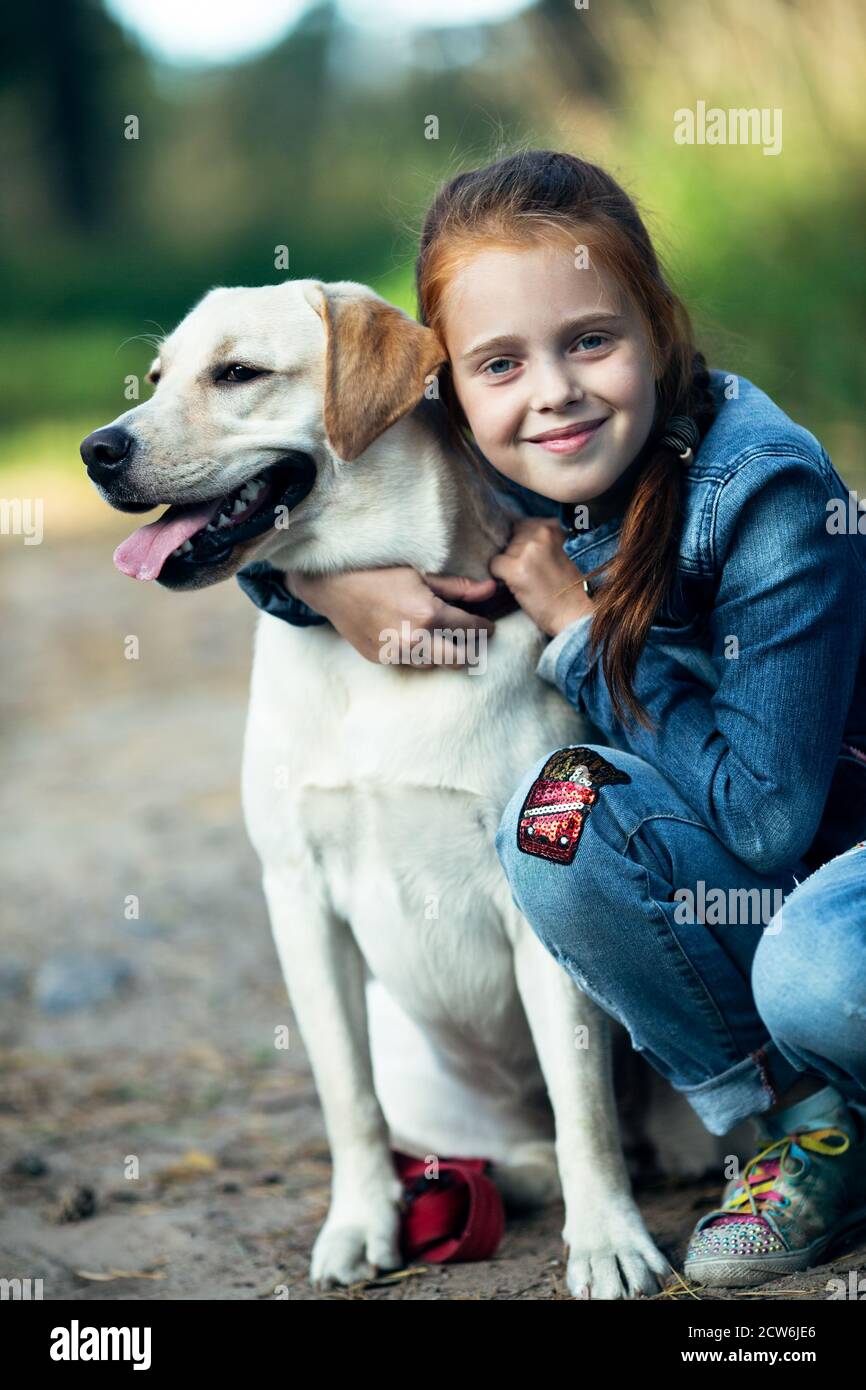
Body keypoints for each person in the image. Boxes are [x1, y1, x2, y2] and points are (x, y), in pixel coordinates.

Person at [237, 150, 866, 1289]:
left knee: (819, 976)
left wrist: (579, 632)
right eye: (500, 364)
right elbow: (315, 484)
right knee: (556, 821)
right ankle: (805, 1124)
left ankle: (816, 1087)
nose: (553, 394)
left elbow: (767, 819)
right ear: (447, 394)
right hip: (713, 897)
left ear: (658, 328)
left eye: (590, 340)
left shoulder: (765, 491)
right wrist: (316, 589)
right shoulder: (520, 454)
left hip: (826, 866)